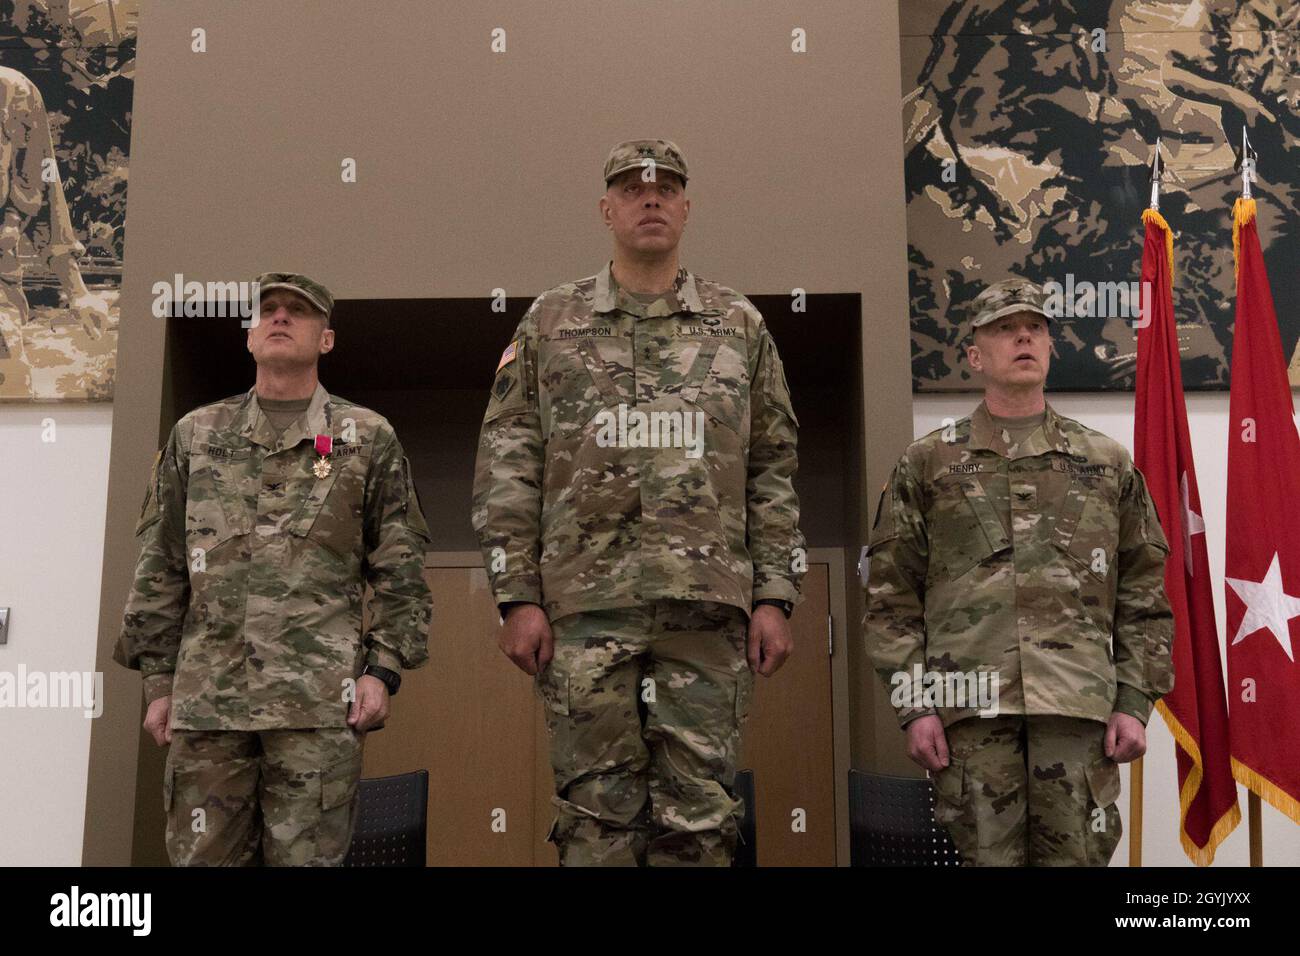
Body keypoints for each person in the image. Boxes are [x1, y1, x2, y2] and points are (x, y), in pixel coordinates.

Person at [472, 139, 804, 866]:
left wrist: (775, 594)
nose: (648, 199)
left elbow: (773, 468)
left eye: (665, 188)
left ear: (686, 206)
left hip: (706, 609)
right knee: (595, 820)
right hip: (585, 608)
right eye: (630, 188)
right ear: (606, 208)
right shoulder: (550, 323)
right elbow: (507, 464)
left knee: (701, 821)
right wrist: (514, 598)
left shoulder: (737, 324)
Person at [115, 272, 432, 866]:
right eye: (267, 310)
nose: (280, 317)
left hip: (318, 705)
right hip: (208, 703)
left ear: (327, 338)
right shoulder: (196, 435)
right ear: (249, 335)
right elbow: (162, 563)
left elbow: (400, 566)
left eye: (298, 310)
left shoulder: (366, 438)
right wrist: (159, 683)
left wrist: (382, 670)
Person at [864, 278, 1174, 866]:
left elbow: (1144, 593)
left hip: (1077, 710)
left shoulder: (1105, 462)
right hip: (969, 709)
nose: (1024, 336)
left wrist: (1135, 700)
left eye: (1035, 327)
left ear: (1051, 348)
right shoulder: (929, 462)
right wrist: (915, 705)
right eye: (1004, 328)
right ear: (976, 355)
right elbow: (890, 596)